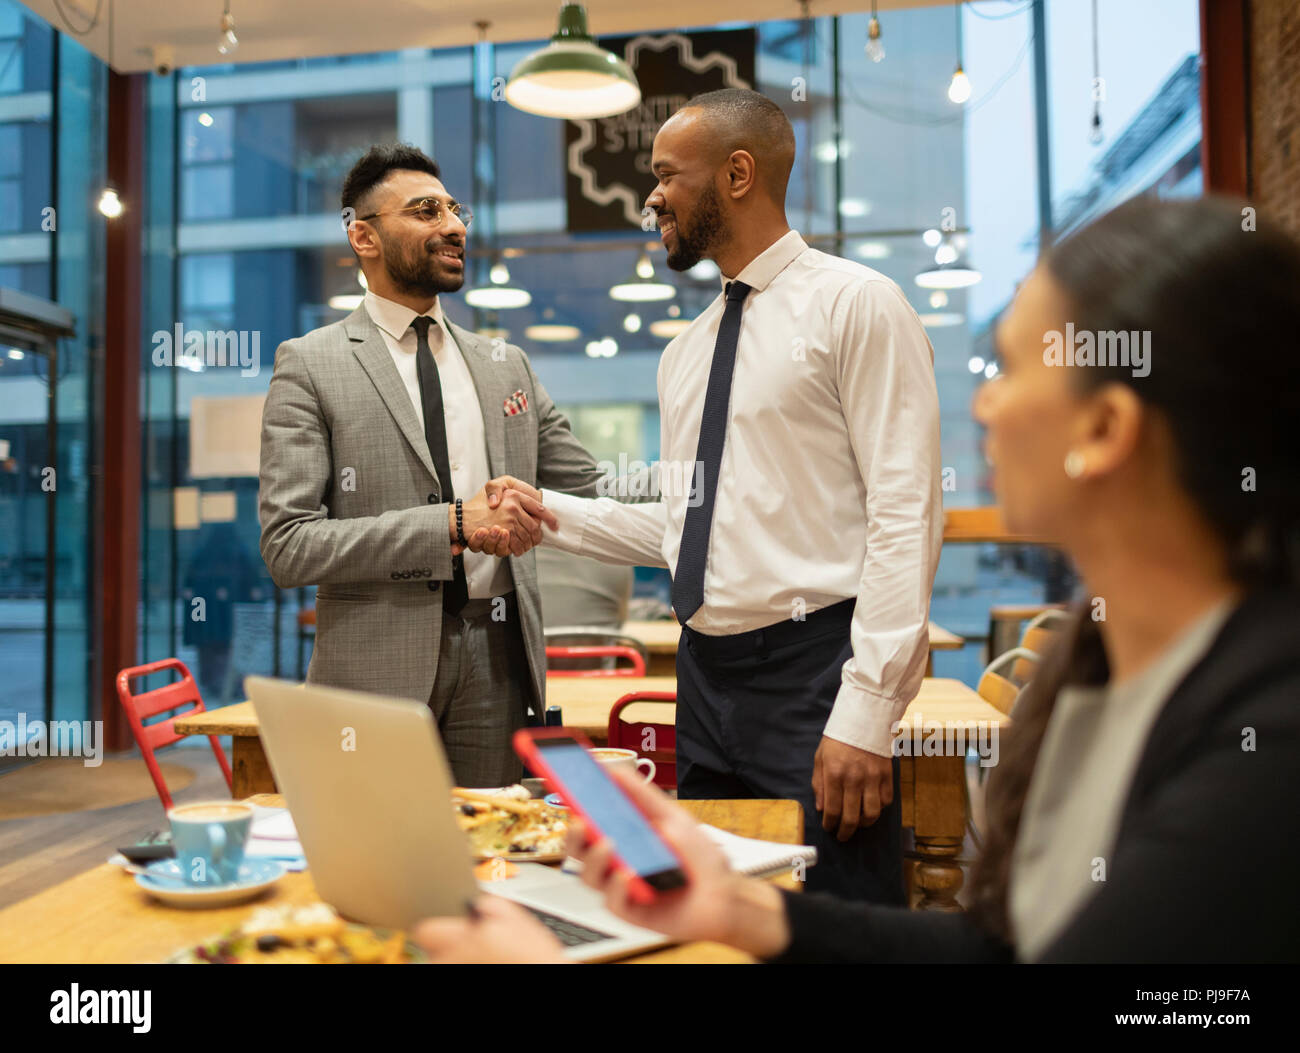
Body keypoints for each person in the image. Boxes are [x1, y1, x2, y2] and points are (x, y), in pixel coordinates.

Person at [418, 195, 1300, 963]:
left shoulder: (1265, 738)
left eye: (1018, 368)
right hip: (711, 667)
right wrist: (739, 905)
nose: (984, 402)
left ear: (1107, 427)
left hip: (813, 661)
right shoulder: (1087, 676)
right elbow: (999, 949)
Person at [479, 89, 942, 902]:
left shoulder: (857, 304)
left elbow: (905, 514)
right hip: (703, 681)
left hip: (816, 675)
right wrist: (547, 513)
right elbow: (688, 526)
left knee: (838, 925)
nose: (651, 196)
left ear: (737, 174)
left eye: (666, 175)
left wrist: (867, 710)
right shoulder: (684, 353)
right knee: (714, 917)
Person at [258, 144, 605, 787]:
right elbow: (289, 547)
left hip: (501, 663)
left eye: (454, 209)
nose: (454, 226)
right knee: (380, 867)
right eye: (425, 211)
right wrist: (449, 523)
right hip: (372, 673)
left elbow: (594, 487)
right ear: (363, 236)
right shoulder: (310, 364)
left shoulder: (506, 366)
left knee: (499, 860)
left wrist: (697, 489)